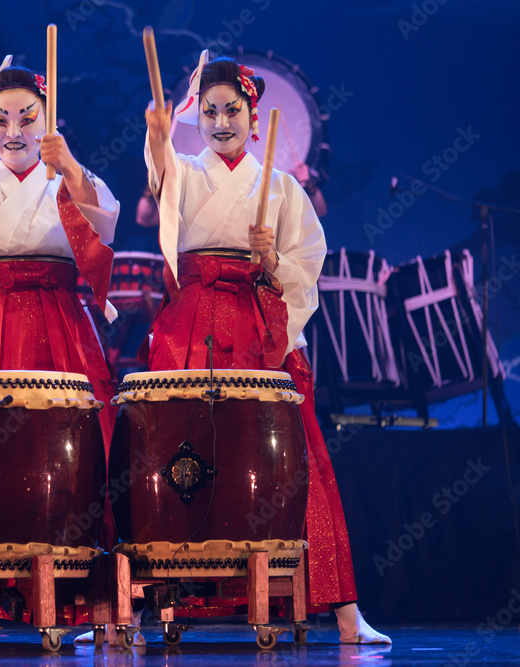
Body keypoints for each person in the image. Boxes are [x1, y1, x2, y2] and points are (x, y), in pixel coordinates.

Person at [141, 51, 390, 644]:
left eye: (232, 110)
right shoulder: (186, 170)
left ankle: (345, 613)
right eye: (209, 111)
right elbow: (161, 182)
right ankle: (146, 608)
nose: (221, 121)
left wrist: (272, 260)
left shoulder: (280, 188)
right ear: (195, 119)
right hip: (192, 325)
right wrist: (156, 141)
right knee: (175, 455)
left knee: (297, 460)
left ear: (254, 118)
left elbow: (308, 264)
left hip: (257, 326)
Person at [0, 56, 122, 642]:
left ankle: (82, 600)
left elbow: (103, 225)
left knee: (74, 456)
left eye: (27, 119)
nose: (14, 132)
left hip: (59, 325)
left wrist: (72, 169)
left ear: (47, 120)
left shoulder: (66, 176)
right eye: (1, 120)